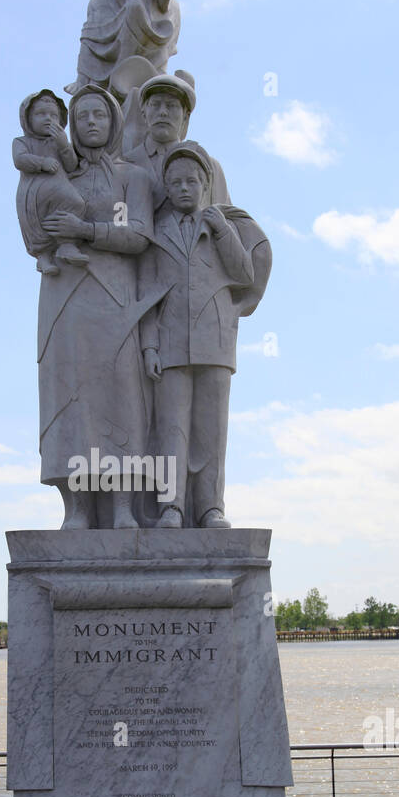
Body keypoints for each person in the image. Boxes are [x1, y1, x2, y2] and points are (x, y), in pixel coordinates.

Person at [37, 85, 163, 528]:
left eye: (99, 115)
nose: (91, 122)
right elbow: (33, 219)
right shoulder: (58, 175)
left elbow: (138, 235)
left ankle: (123, 506)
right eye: (83, 115)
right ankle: (78, 507)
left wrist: (85, 229)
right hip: (66, 300)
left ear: (112, 122)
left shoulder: (133, 178)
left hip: (116, 300)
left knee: (120, 399)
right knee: (72, 401)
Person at [138, 143, 271, 528]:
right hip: (170, 342)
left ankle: (211, 507)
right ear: (166, 186)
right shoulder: (155, 234)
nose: (184, 188)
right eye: (176, 182)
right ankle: (171, 507)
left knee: (211, 431)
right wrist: (149, 346)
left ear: (204, 184)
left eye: (192, 181)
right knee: (171, 430)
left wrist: (223, 230)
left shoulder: (219, 226)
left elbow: (245, 274)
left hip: (214, 342)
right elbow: (147, 297)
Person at [126, 73, 229, 211]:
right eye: (155, 104)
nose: (162, 112)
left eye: (171, 105)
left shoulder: (211, 168)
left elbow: (226, 223)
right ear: (144, 112)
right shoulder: (124, 164)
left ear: (185, 116)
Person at [13, 90, 88, 275]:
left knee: (76, 203)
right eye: (41, 114)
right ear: (28, 119)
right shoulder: (22, 142)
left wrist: (63, 145)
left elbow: (71, 165)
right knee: (37, 224)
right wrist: (42, 163)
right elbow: (19, 160)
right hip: (34, 191)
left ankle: (66, 244)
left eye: (53, 115)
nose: (48, 119)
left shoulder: (58, 142)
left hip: (60, 187)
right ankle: (43, 257)